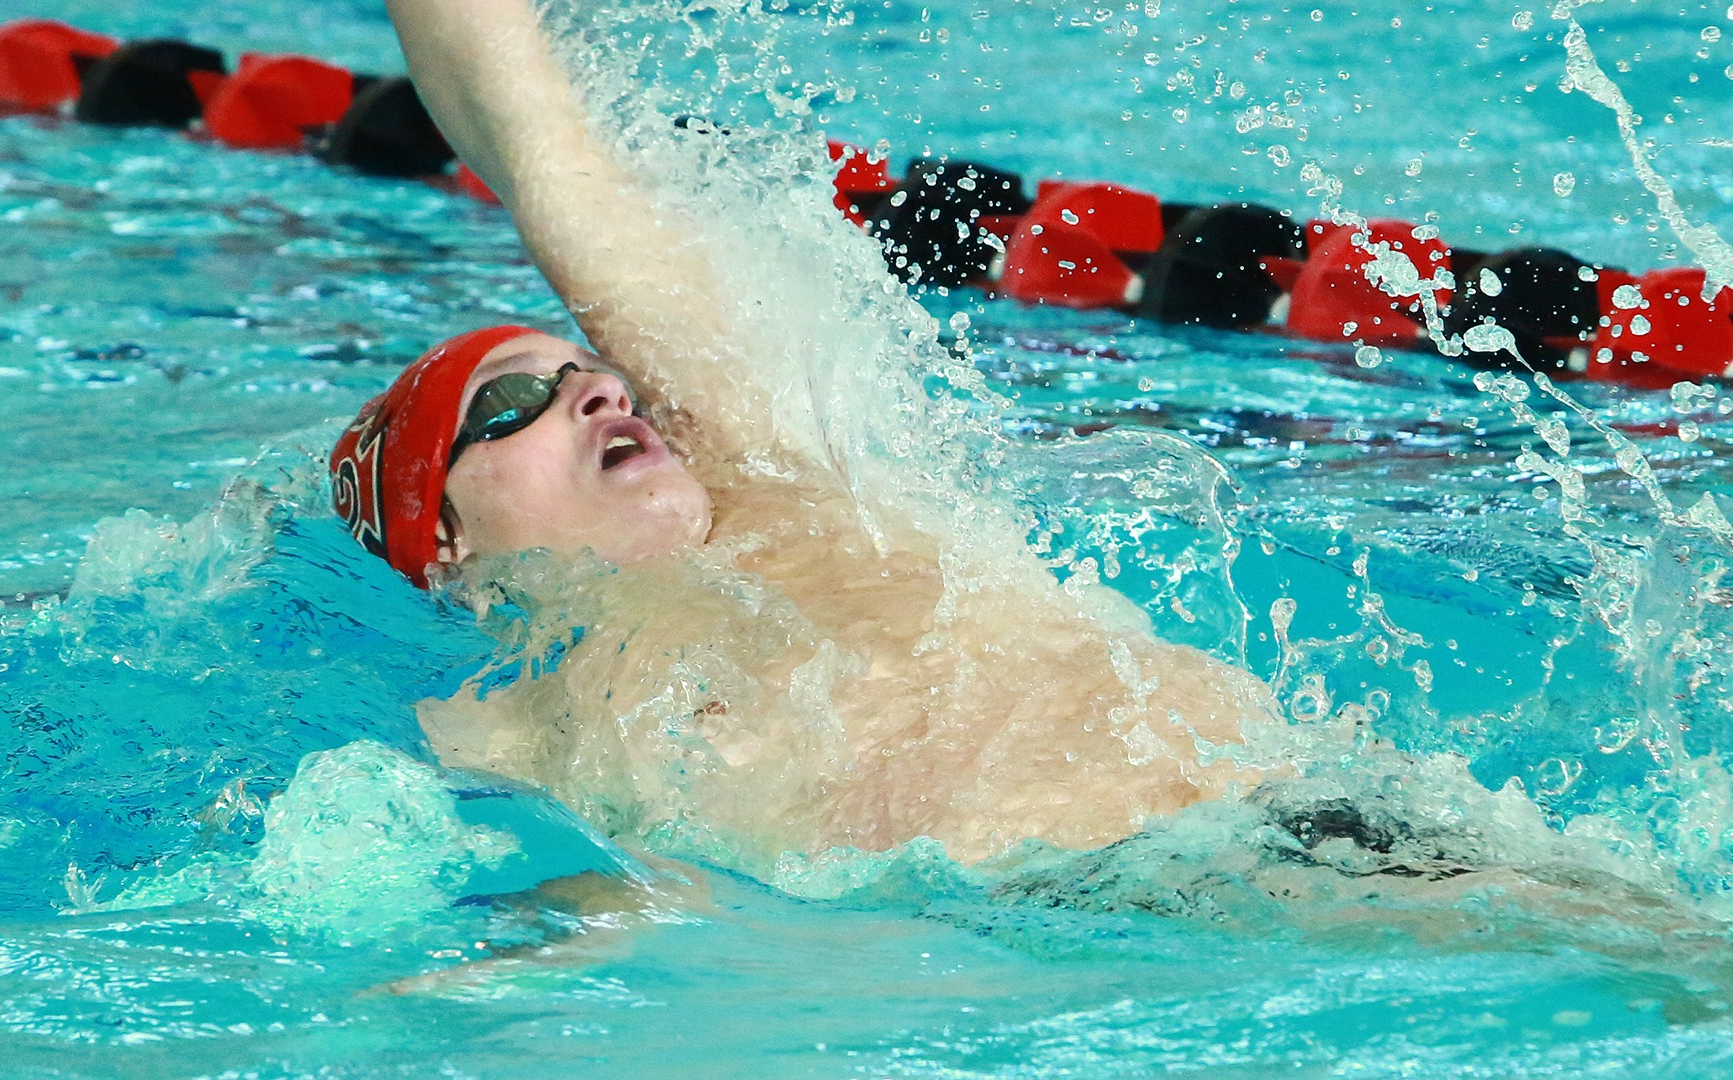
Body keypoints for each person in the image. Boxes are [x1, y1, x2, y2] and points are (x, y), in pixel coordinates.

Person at [330, 0, 1280, 873]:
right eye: (512, 402)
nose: (596, 392)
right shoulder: (504, 730)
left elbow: (536, 136)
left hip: (1307, 804)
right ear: (443, 537)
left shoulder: (769, 480)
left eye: (591, 372)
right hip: (1113, 892)